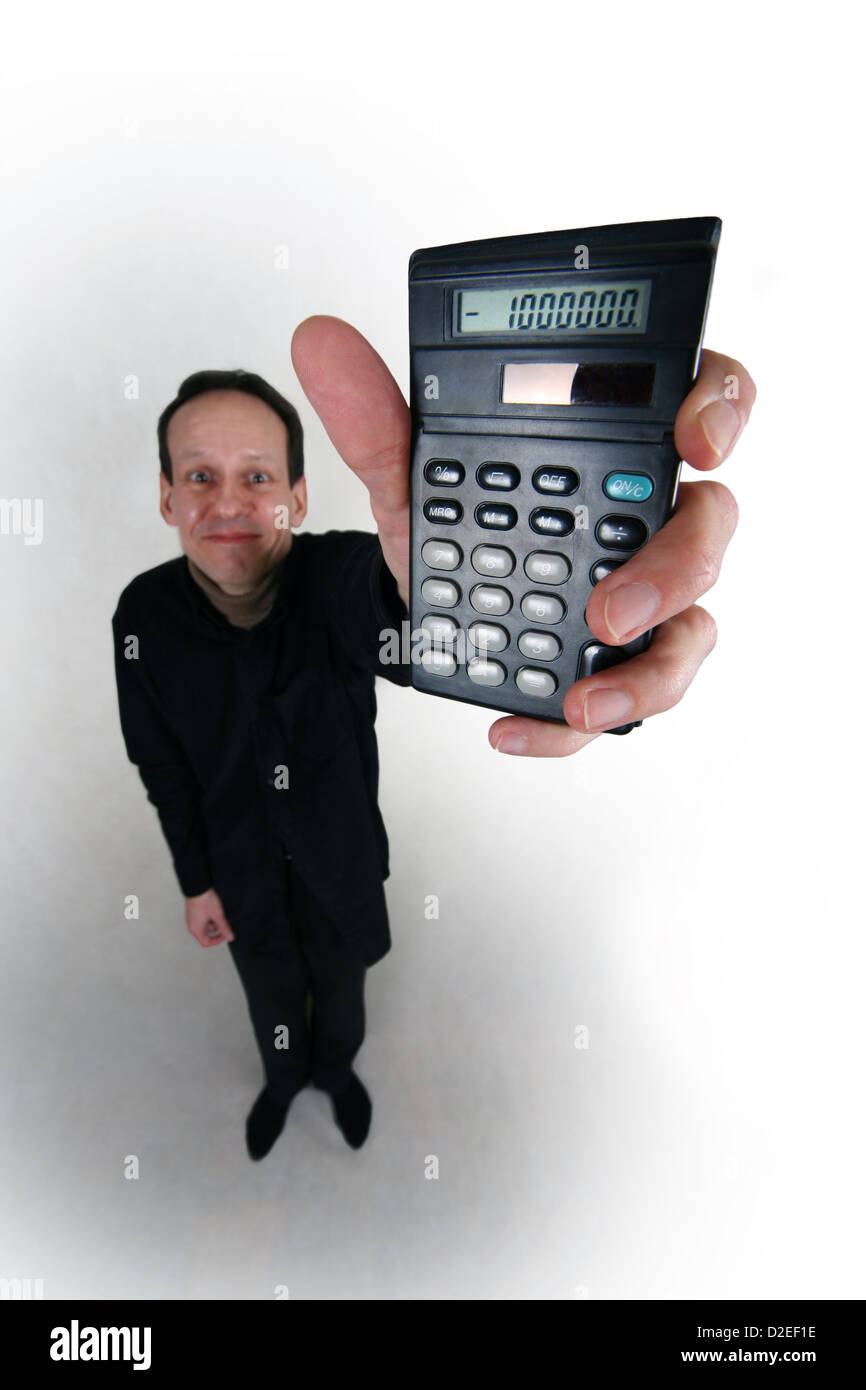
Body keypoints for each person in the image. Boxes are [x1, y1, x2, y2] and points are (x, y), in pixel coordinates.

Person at [111, 314, 755, 1160]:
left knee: (342, 1001)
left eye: (257, 476)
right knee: (270, 1001)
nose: (228, 503)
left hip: (341, 872)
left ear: (298, 499)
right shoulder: (143, 619)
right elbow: (161, 766)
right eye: (199, 475)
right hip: (238, 879)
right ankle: (282, 1084)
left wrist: (464, 573)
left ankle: (336, 1075)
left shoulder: (338, 574)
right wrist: (197, 881)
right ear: (166, 496)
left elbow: (396, 605)